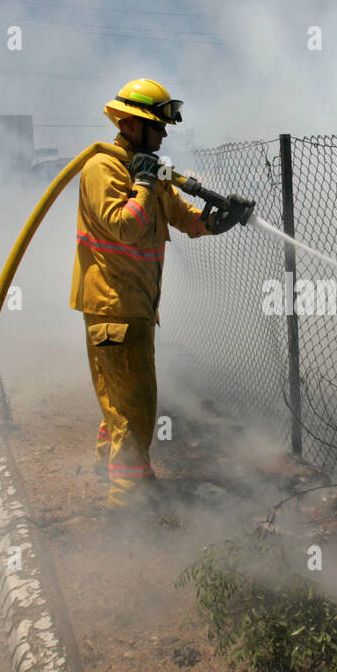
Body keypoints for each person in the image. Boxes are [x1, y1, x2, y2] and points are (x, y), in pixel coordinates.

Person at [70, 78, 252, 511]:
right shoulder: (104, 169)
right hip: (113, 308)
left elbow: (184, 219)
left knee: (121, 396)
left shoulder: (144, 171)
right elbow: (124, 226)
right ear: (132, 125)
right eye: (158, 126)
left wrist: (218, 219)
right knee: (136, 407)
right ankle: (128, 502)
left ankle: (108, 466)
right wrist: (146, 184)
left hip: (134, 309)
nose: (165, 134)